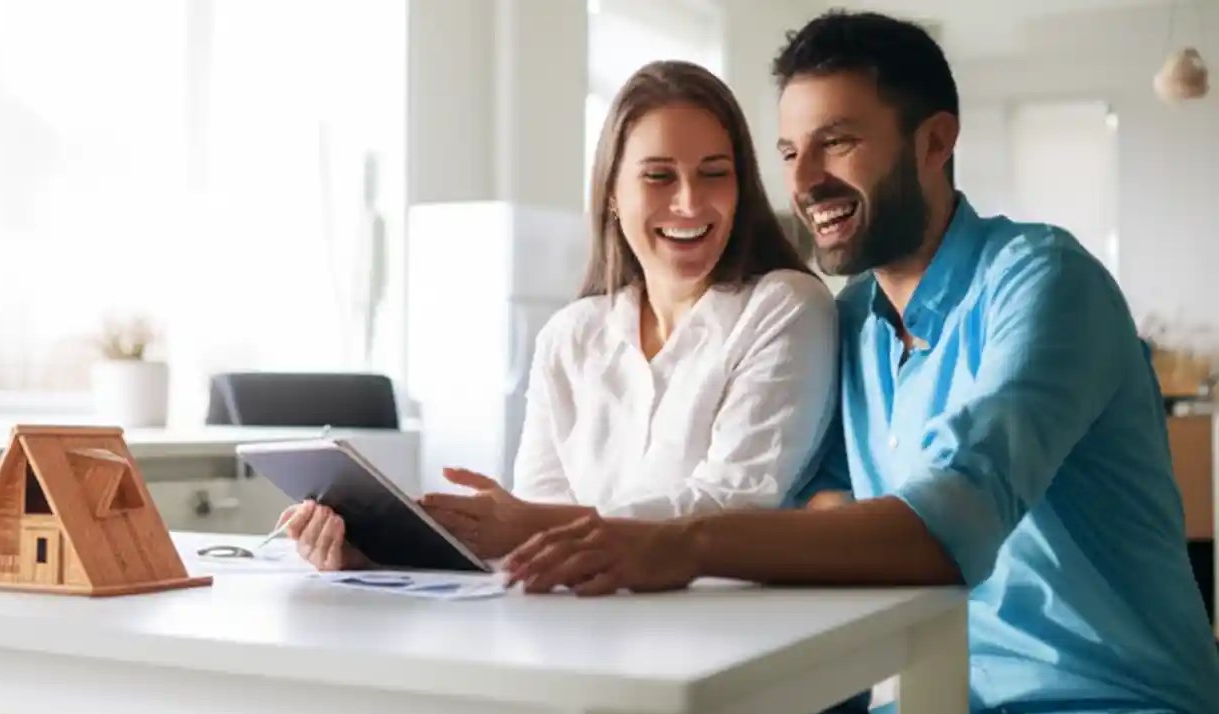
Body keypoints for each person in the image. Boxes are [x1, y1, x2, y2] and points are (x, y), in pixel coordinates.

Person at [502, 11, 1219, 714]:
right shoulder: (851, 324)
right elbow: (799, 517)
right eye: (788, 153)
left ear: (935, 141)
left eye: (837, 143)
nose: (806, 181)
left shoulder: (1043, 282)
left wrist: (678, 544)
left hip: (1103, 702)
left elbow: (948, 525)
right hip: (924, 699)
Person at [277, 60, 839, 570]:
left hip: (735, 637)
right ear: (613, 192)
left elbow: (733, 506)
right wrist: (374, 560)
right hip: (586, 630)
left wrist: (529, 525)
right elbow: (533, 544)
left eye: (715, 172)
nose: (690, 202)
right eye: (658, 176)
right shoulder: (571, 336)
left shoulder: (783, 307)